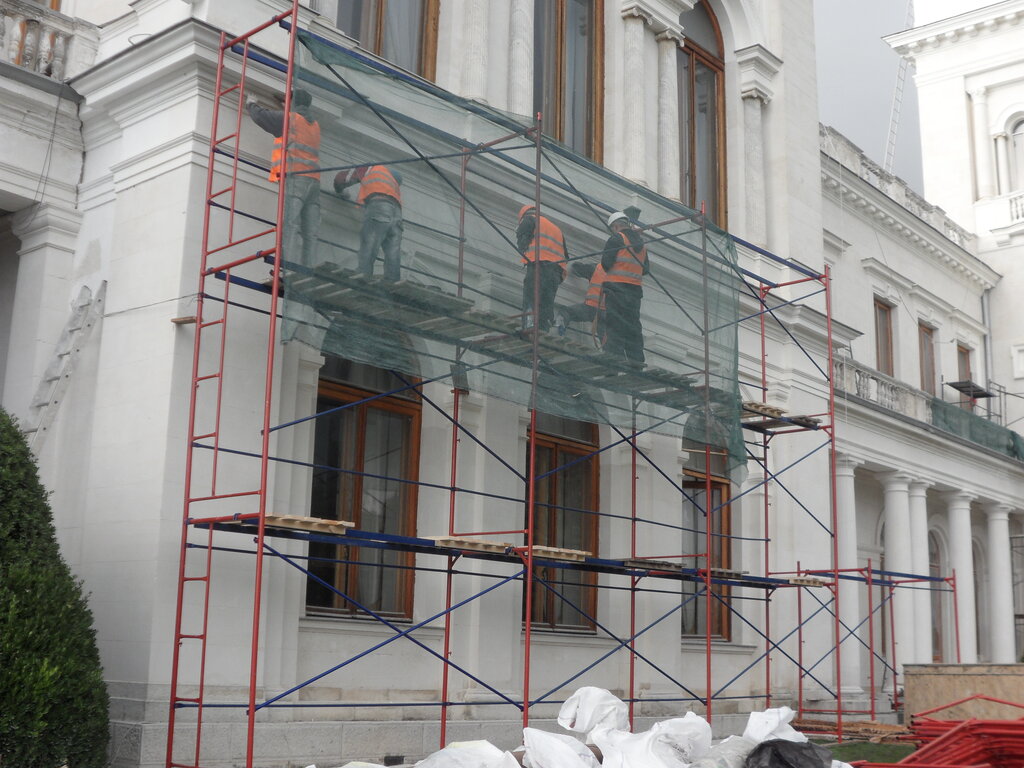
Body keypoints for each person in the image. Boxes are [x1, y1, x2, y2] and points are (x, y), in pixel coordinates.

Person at [247, 90, 321, 268]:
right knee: (310, 232)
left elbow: (262, 117)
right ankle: (308, 268)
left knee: (291, 225)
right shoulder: (314, 125)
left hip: (296, 178)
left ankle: (289, 268)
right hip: (313, 182)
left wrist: (251, 104)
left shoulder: (290, 119)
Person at [334, 164, 403, 281]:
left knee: (370, 241)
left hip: (380, 206)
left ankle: (363, 274)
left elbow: (342, 179)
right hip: (397, 214)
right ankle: (392, 280)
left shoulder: (372, 168)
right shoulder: (393, 185)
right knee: (393, 250)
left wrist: (340, 191)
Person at [601, 210, 650, 365]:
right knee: (632, 328)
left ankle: (613, 362)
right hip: (634, 293)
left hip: (616, 289)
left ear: (615, 226)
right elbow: (646, 269)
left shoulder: (617, 239)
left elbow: (606, 263)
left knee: (614, 326)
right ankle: (636, 363)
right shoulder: (641, 245)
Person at [516, 204, 568, 331]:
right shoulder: (556, 229)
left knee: (531, 295)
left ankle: (529, 324)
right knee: (546, 301)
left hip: (539, 265)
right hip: (556, 273)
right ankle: (544, 327)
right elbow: (566, 255)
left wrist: (523, 248)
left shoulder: (529, 220)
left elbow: (523, 240)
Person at [559, 261, 607, 343]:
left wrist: (577, 264)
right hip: (606, 314)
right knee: (605, 338)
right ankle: (609, 351)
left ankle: (558, 333)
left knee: (566, 312)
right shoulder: (621, 277)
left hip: (590, 308)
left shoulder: (597, 268)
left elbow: (575, 268)